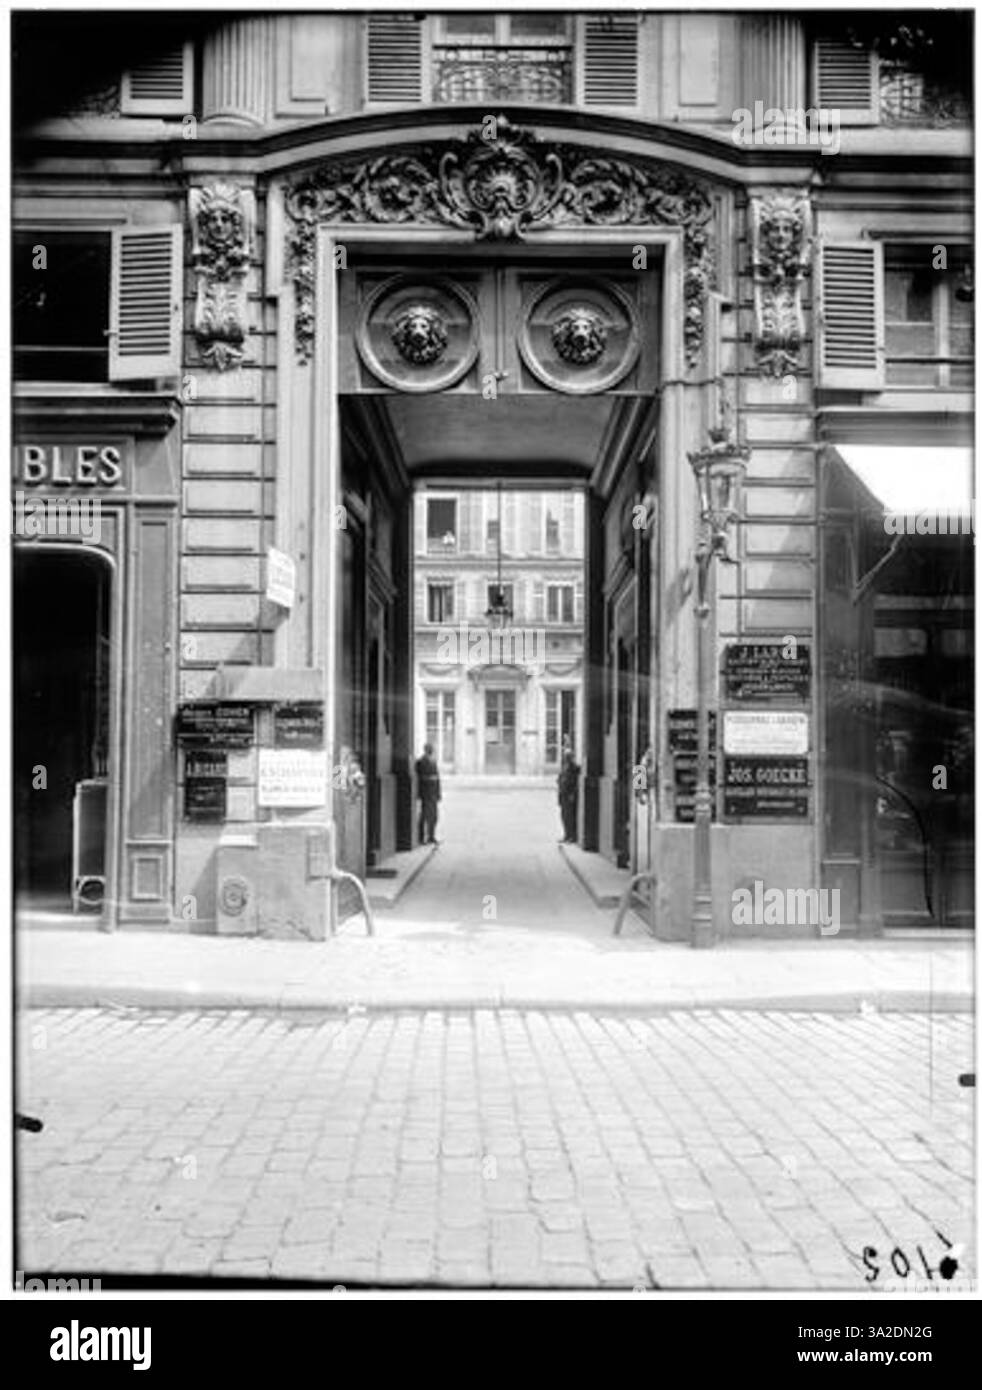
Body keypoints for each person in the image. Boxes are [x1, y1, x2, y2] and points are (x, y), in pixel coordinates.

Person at [414, 743, 441, 845]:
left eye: (431, 749)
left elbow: (438, 779)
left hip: (433, 793)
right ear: (425, 750)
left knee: (433, 816)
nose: (431, 751)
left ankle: (431, 836)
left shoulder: (433, 762)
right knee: (424, 815)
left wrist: (438, 794)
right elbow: (419, 778)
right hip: (425, 793)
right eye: (429, 749)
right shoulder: (420, 762)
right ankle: (422, 838)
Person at [557, 743, 580, 844]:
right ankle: (566, 835)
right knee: (564, 816)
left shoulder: (573, 767)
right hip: (563, 793)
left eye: (567, 756)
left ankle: (571, 836)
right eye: (565, 756)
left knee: (570, 816)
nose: (566, 758)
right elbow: (561, 778)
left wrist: (572, 793)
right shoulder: (565, 766)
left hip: (569, 794)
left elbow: (574, 782)